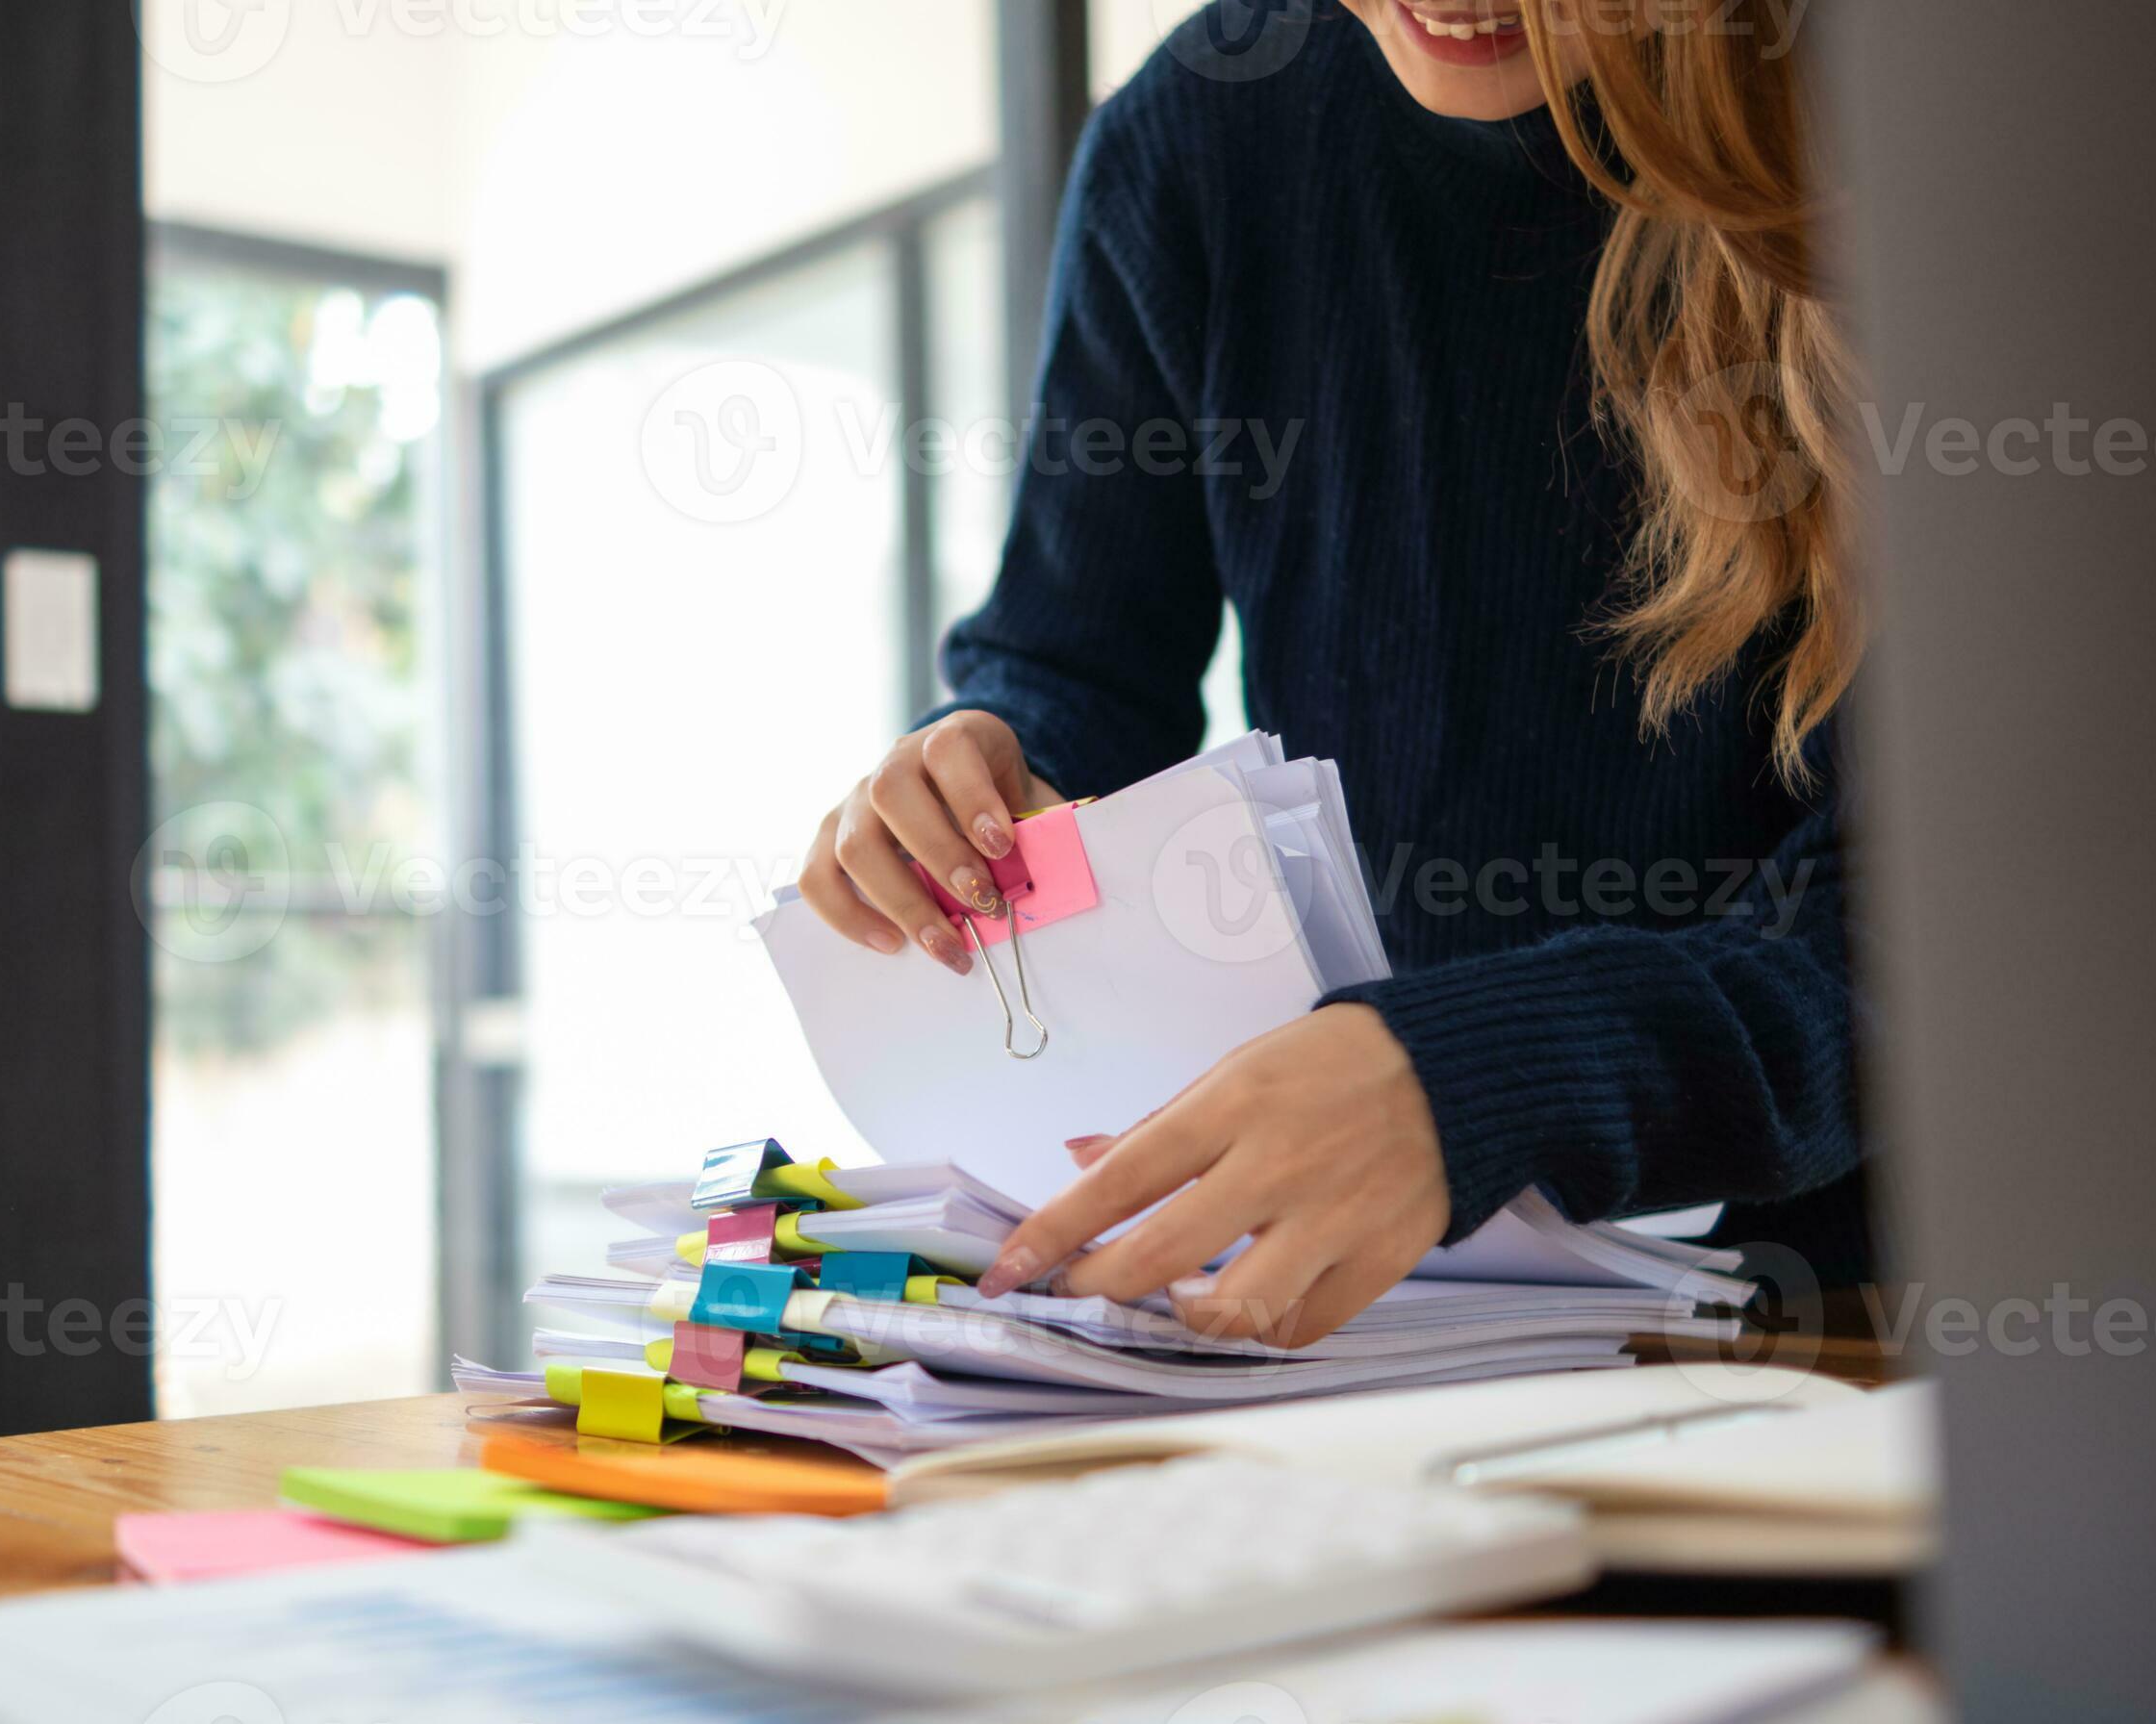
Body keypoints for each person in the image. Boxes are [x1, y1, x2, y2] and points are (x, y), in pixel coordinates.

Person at [796, 0, 1863, 1346]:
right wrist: (985, 764)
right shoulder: (1202, 129)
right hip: (1382, 1307)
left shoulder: (1906, 117)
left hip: (1858, 1327)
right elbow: (1074, 663)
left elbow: (1945, 931)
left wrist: (1477, 1082)